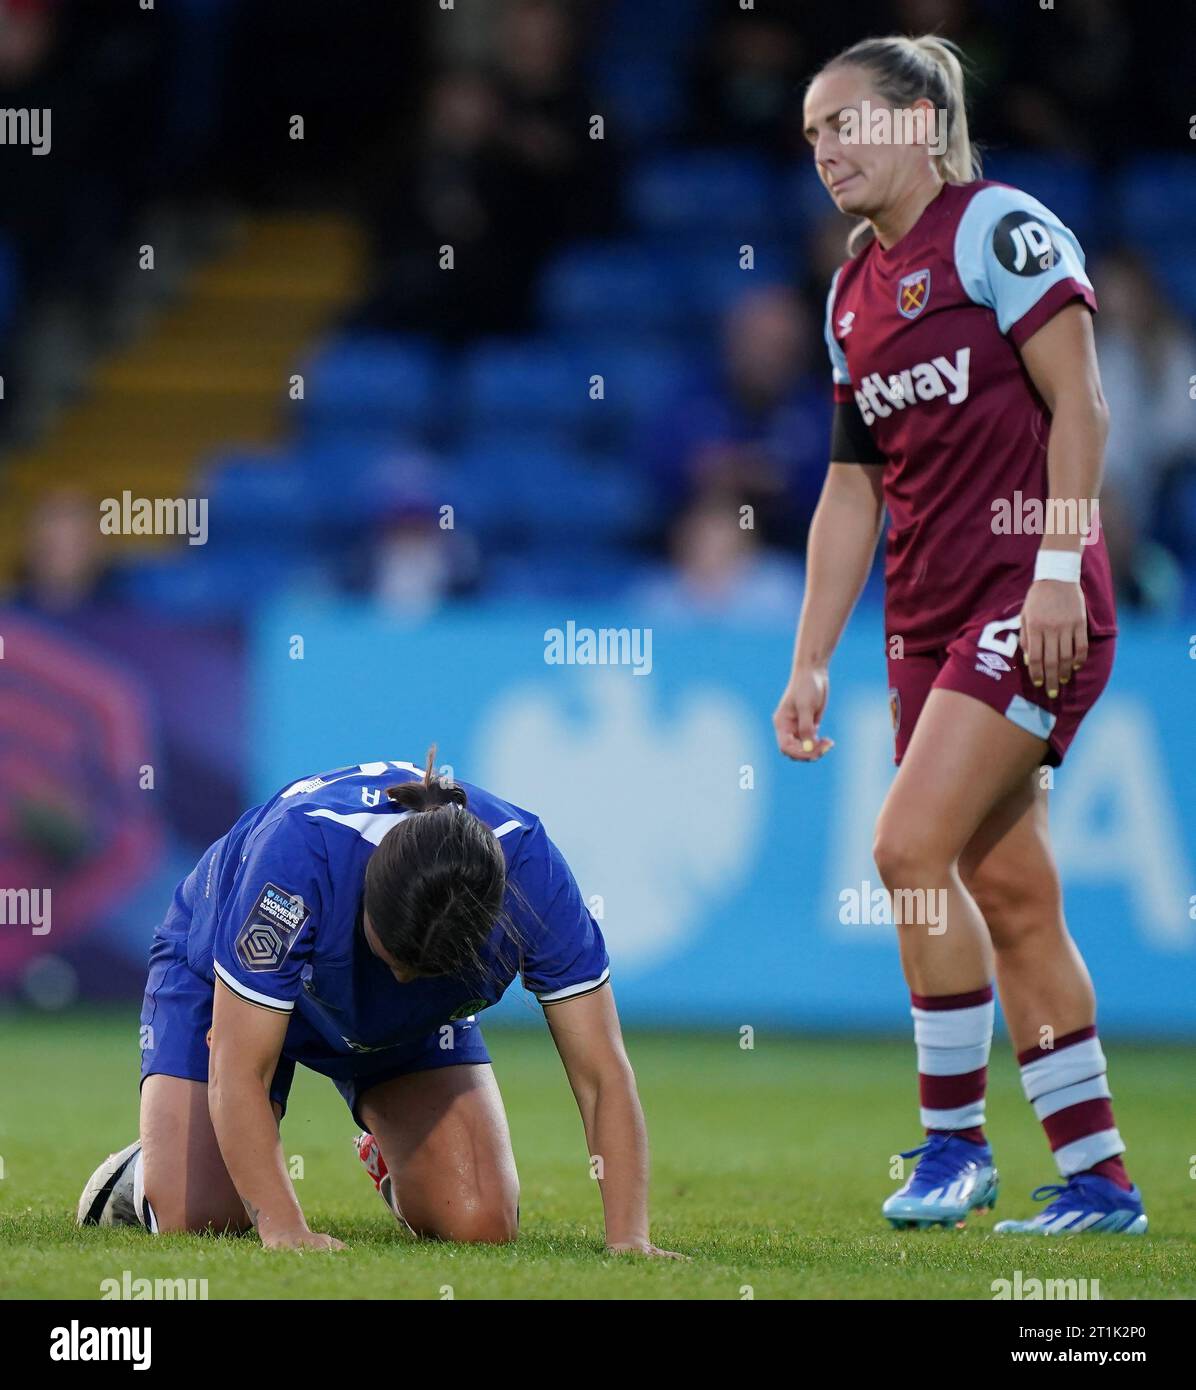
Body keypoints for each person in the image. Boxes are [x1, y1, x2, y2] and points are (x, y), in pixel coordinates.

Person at [774, 35, 1146, 1234]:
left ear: (920, 119)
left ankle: (950, 1146)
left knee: (904, 851)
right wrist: (811, 654)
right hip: (923, 624)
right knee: (1010, 890)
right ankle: (1098, 1182)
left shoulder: (999, 230)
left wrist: (1052, 570)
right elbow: (850, 488)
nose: (825, 149)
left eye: (845, 123)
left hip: (1026, 602)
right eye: (810, 135)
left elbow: (1079, 403)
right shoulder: (848, 291)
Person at [78, 751, 684, 1257]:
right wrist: (287, 1230)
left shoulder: (534, 876)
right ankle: (144, 1172)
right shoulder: (294, 865)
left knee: (480, 1224)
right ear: (364, 898)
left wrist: (628, 1238)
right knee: (199, 1214)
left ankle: (389, 1148)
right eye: (392, 958)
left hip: (405, 1033)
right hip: (225, 982)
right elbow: (240, 1068)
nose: (400, 976)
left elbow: (601, 1073)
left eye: (422, 971)